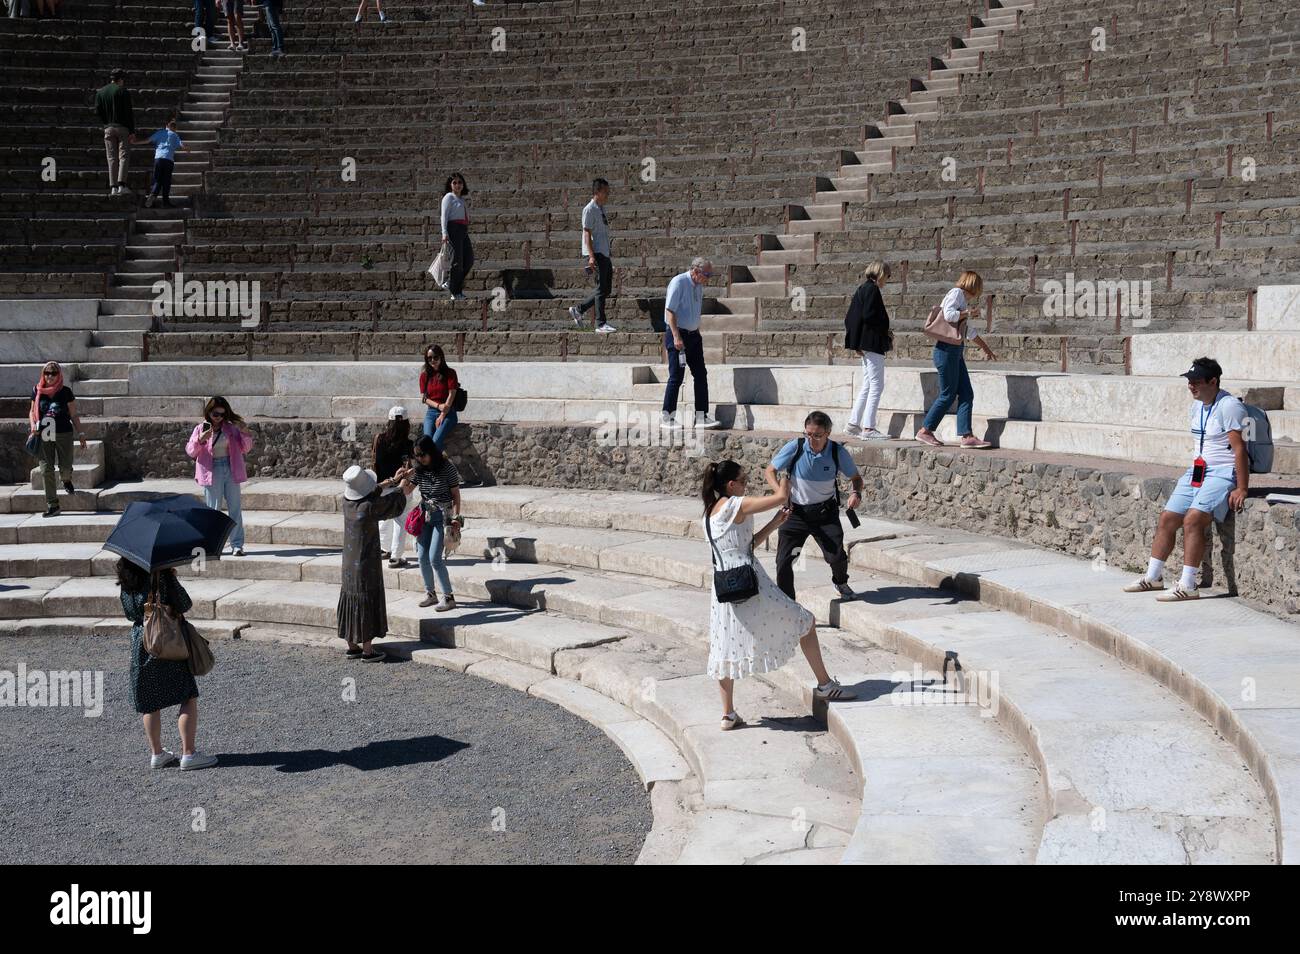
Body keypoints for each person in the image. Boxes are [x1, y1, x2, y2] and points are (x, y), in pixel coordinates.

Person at [703, 459, 856, 731]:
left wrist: (774, 523)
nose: (746, 485)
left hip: (724, 586)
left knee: (724, 644)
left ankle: (727, 714)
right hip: (751, 583)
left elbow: (745, 545)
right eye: (743, 480)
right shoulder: (734, 504)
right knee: (805, 621)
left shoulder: (711, 512)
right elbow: (781, 496)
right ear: (731, 485)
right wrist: (788, 473)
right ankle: (824, 685)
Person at [1124, 357, 1250, 602]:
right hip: (1197, 471)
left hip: (1223, 473)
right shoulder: (1197, 406)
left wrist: (1242, 488)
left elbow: (1239, 450)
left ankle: (1189, 585)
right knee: (1168, 518)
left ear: (1213, 381)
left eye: (1196, 382)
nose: (1191, 386)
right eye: (1189, 381)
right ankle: (1154, 577)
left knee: (1193, 520)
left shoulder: (1230, 406)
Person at [118, 559, 216, 771]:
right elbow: (184, 603)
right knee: (187, 695)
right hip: (166, 640)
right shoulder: (161, 576)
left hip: (141, 641)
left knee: (150, 702)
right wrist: (171, 577)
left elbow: (129, 613)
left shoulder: (127, 579)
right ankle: (189, 754)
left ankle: (157, 754)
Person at [764, 411, 864, 601]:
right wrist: (780, 493)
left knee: (836, 557)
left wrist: (855, 493)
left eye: (817, 435)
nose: (812, 439)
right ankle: (788, 603)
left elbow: (856, 479)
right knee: (784, 562)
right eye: (808, 434)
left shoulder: (837, 451)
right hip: (795, 513)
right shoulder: (796, 447)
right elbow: (770, 471)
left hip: (825, 514)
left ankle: (840, 581)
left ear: (828, 433)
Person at [338, 464, 416, 661]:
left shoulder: (347, 501)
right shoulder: (370, 507)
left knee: (351, 597)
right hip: (366, 562)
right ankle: (368, 650)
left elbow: (369, 492)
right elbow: (394, 503)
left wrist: (393, 479)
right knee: (366, 598)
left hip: (349, 561)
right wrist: (403, 486)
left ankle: (352, 646)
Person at [915, 270, 999, 448]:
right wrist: (967, 312)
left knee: (966, 393)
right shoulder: (956, 293)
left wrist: (985, 348)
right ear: (974, 286)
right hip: (946, 352)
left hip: (954, 352)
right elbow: (948, 315)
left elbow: (967, 331)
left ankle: (967, 436)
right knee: (948, 394)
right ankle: (925, 431)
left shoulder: (961, 299)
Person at [185, 397, 253, 556]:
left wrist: (245, 432)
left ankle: (237, 545)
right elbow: (190, 451)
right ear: (209, 412)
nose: (219, 417)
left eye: (222, 414)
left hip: (230, 468)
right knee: (213, 510)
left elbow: (246, 448)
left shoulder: (230, 428)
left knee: (234, 508)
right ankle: (213, 545)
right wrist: (201, 440)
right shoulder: (201, 428)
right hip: (211, 469)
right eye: (216, 414)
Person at [661, 256, 721, 430]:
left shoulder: (699, 286)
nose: (708, 278)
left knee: (701, 374)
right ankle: (667, 416)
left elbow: (693, 311)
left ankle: (701, 416)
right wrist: (676, 336)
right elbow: (670, 311)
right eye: (706, 274)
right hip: (678, 335)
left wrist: (696, 330)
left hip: (694, 336)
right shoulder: (678, 282)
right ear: (695, 271)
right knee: (676, 377)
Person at [411, 435, 463, 612]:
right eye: (417, 455)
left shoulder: (446, 467)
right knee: (421, 556)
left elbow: (455, 495)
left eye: (422, 454)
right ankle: (430, 594)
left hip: (442, 517)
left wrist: (457, 518)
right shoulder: (418, 469)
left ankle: (448, 597)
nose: (420, 458)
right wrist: (400, 478)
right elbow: (407, 489)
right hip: (425, 516)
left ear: (431, 452)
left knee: (434, 558)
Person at [29, 361, 86, 518]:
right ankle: (53, 505)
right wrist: (33, 425)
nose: (50, 376)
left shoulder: (65, 391)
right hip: (45, 433)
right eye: (47, 373)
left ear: (59, 375)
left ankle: (66, 479)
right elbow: (31, 411)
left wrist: (81, 434)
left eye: (53, 373)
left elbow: (73, 415)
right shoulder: (37, 390)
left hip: (63, 433)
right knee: (46, 469)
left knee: (65, 466)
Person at [843, 260, 893, 440]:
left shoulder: (861, 289)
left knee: (867, 385)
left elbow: (850, 318)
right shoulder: (872, 290)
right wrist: (884, 330)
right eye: (887, 275)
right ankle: (868, 428)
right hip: (872, 343)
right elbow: (869, 316)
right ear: (881, 274)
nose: (887, 279)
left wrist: (856, 343)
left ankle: (853, 424)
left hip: (864, 343)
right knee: (876, 386)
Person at [568, 177, 616, 333]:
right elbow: (586, 234)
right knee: (601, 289)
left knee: (606, 289)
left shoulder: (601, 208)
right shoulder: (589, 209)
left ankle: (579, 309)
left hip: (604, 252)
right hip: (596, 253)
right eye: (605, 191)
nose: (608, 194)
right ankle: (600, 324)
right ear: (597, 191)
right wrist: (591, 256)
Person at [372, 405, 416, 568]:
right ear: (406, 423)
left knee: (383, 518)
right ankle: (396, 557)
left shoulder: (378, 439)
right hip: (401, 487)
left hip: (383, 485)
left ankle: (384, 549)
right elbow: (411, 466)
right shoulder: (409, 444)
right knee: (400, 521)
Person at [94, 69, 135, 196]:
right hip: (122, 127)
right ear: (120, 79)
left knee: (111, 158)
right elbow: (129, 113)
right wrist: (132, 131)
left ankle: (113, 187)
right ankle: (122, 185)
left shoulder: (101, 92)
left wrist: (106, 123)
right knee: (123, 156)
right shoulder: (123, 92)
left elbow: (97, 111)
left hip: (108, 128)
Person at [418, 343, 460, 449]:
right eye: (429, 358)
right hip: (431, 412)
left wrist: (442, 414)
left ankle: (437, 465)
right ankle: (435, 465)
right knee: (426, 443)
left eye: (435, 357)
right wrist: (438, 406)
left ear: (441, 357)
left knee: (436, 442)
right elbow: (424, 398)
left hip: (448, 413)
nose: (433, 360)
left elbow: (452, 394)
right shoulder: (425, 376)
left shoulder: (450, 373)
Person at [440, 172, 473, 301]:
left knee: (469, 260)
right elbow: (444, 216)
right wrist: (444, 233)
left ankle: (451, 281)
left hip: (463, 230)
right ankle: (456, 292)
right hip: (453, 229)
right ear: (450, 185)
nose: (458, 185)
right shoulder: (449, 197)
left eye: (460, 182)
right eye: (454, 182)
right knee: (457, 262)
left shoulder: (462, 199)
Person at [144, 113, 184, 209]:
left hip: (158, 159)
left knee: (158, 180)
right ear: (174, 127)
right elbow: (182, 145)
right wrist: (187, 149)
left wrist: (135, 142)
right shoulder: (175, 135)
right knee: (166, 181)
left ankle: (152, 195)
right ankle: (165, 202)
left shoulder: (160, 132)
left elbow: (147, 140)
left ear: (166, 125)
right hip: (168, 160)